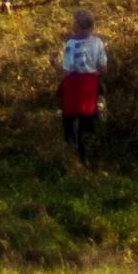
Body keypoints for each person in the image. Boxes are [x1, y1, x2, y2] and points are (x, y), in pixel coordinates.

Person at [58, 8, 108, 164]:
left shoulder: (71, 44)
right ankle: (84, 152)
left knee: (68, 116)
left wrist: (53, 62)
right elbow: (103, 68)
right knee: (87, 118)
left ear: (78, 27)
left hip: (74, 85)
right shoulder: (98, 43)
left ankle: (69, 144)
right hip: (90, 86)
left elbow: (67, 70)